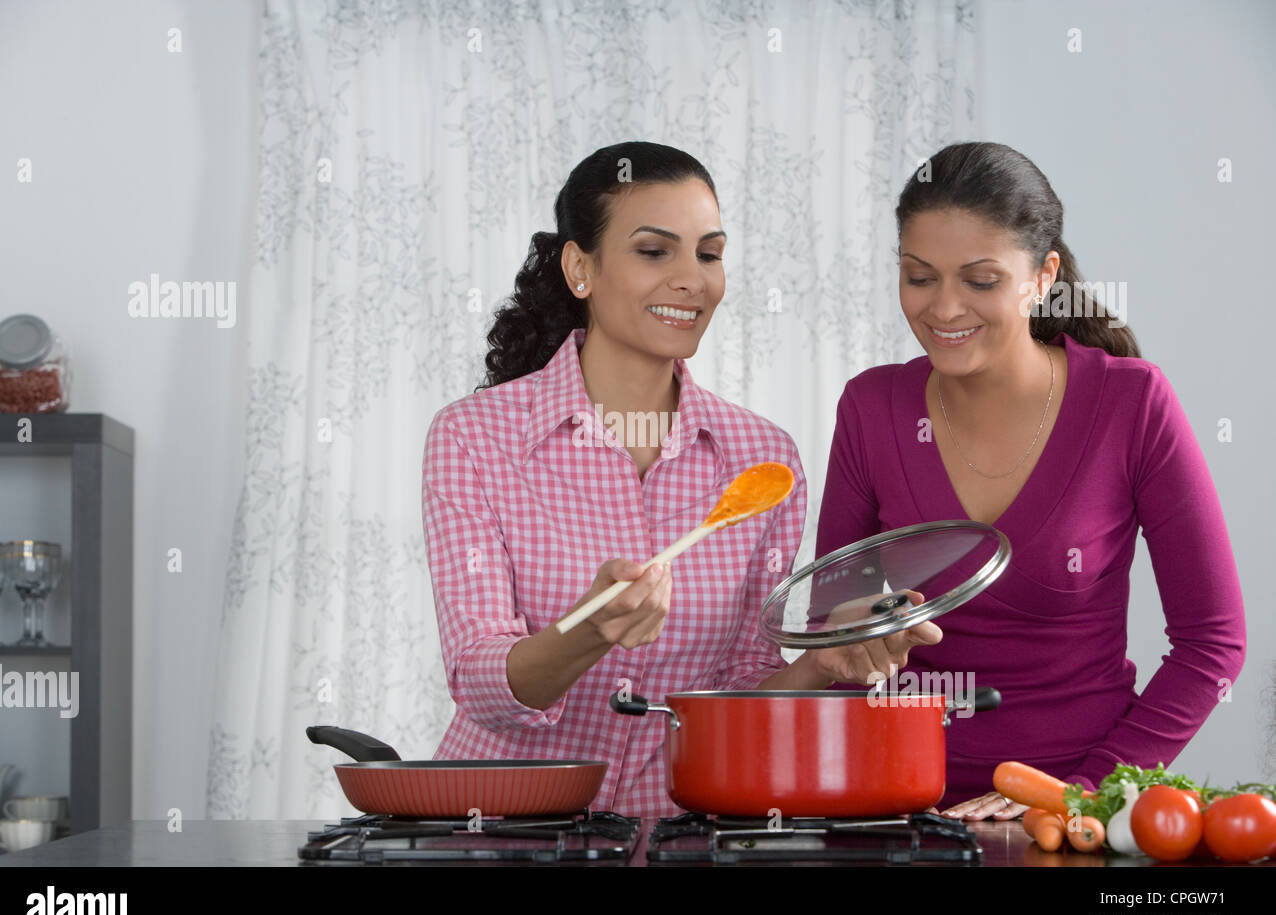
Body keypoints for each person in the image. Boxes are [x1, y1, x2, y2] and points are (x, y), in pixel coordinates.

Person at [421, 141, 941, 819]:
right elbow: (481, 683)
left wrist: (825, 661)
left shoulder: (763, 460)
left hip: (674, 831)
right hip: (503, 826)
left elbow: (743, 693)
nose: (693, 280)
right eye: (654, 251)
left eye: (709, 253)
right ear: (581, 268)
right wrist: (590, 631)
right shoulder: (474, 438)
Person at [815, 141, 1247, 819]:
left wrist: (1077, 796)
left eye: (980, 280)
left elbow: (1212, 645)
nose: (945, 308)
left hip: (1069, 816)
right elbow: (826, 628)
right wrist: (850, 629)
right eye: (920, 276)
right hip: (892, 807)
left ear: (1043, 276)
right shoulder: (871, 408)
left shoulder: (1131, 404)